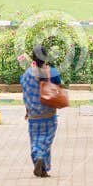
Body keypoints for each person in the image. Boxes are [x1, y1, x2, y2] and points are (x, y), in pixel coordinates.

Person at [18, 46, 62, 178]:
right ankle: (42, 161)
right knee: (46, 140)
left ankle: (39, 159)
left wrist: (27, 110)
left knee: (35, 139)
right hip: (49, 114)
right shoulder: (52, 72)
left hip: (33, 115)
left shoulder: (26, 75)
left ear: (33, 58)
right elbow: (58, 89)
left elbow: (26, 94)